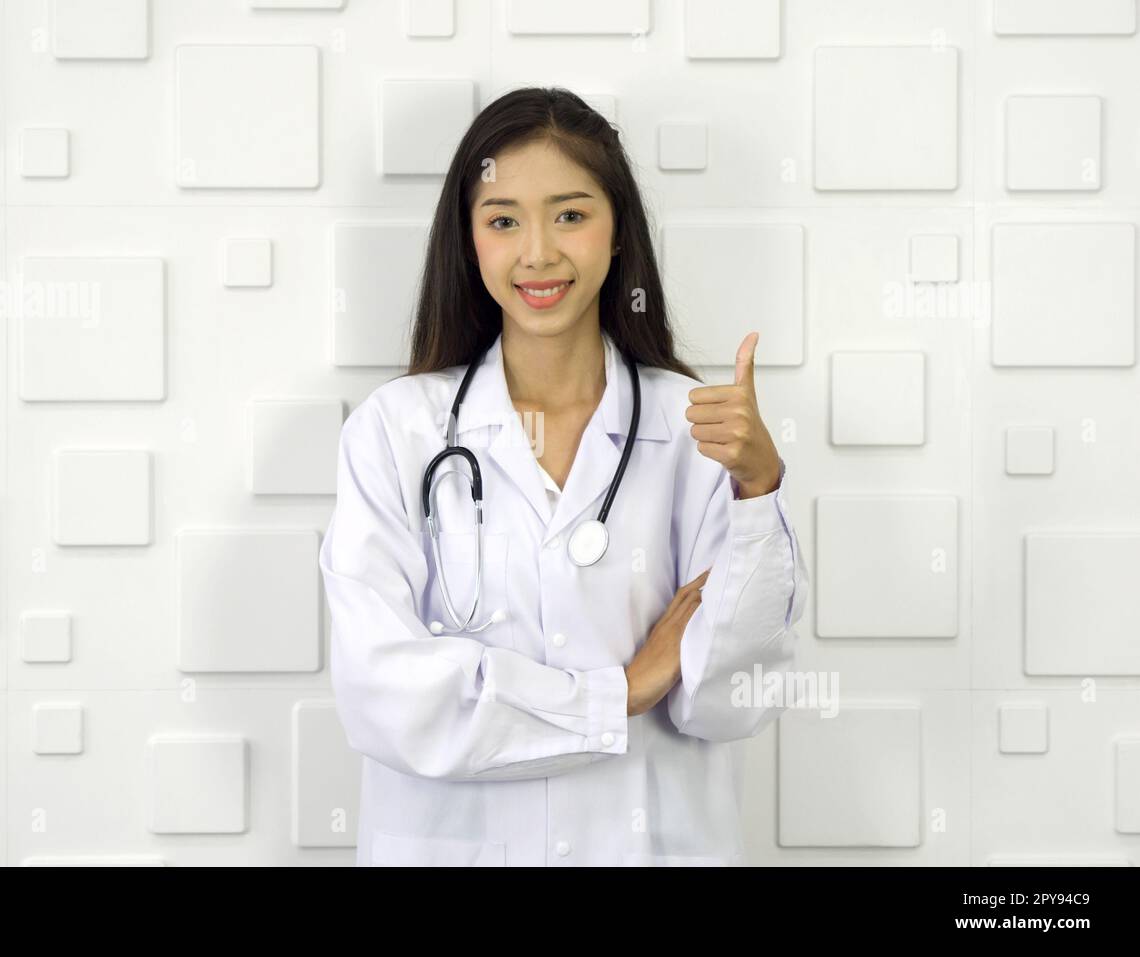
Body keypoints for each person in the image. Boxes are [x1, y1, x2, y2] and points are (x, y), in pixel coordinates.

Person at [319, 86, 809, 866]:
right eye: (503, 219)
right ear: (469, 239)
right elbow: (388, 696)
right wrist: (621, 690)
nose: (538, 252)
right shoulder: (397, 431)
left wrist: (759, 490)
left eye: (571, 214)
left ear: (618, 235)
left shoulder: (696, 427)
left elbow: (726, 702)